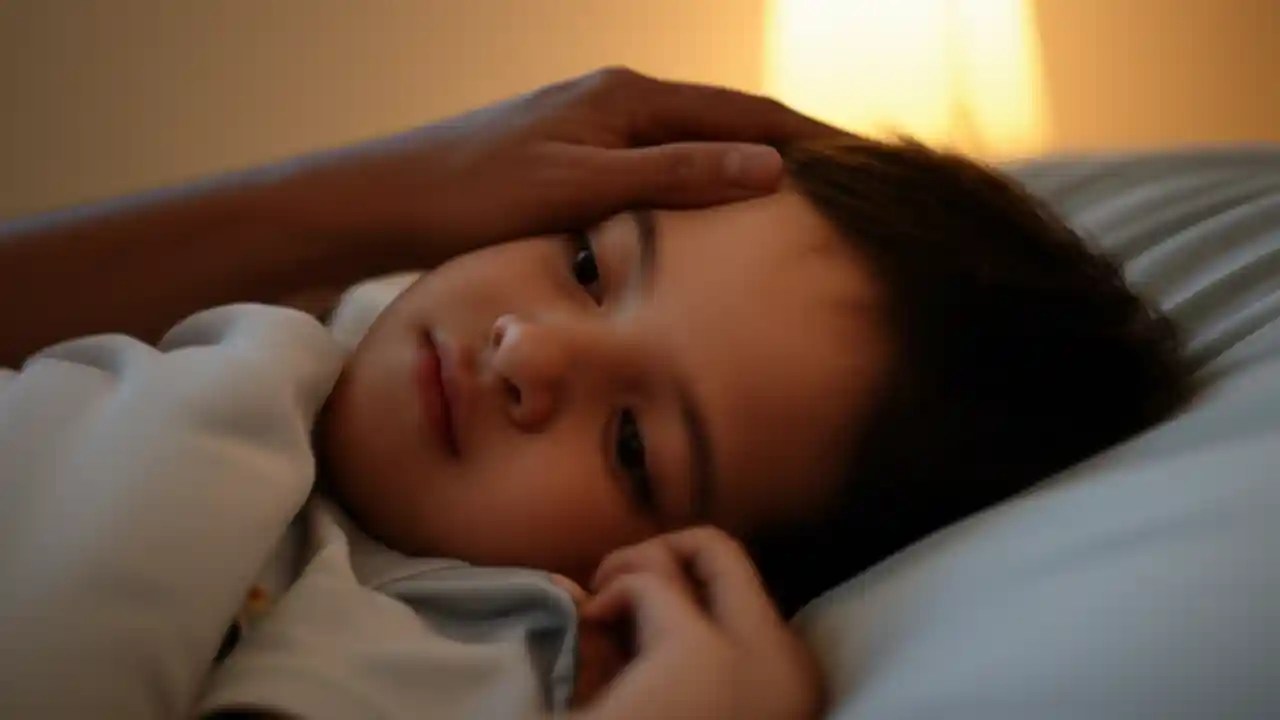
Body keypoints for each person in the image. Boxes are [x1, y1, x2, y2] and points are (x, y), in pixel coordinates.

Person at [0, 67, 839, 719]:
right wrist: (395, 188)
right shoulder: (281, 330)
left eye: (630, 446)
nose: (529, 350)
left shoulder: (449, 646)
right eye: (585, 265)